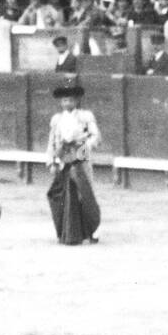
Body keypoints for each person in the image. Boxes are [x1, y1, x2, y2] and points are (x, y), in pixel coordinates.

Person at [46, 83, 101, 245]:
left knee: (86, 192)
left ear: (76, 101)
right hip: (63, 158)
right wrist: (51, 161)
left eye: (70, 100)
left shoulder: (85, 116)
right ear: (60, 103)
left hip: (81, 158)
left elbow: (96, 137)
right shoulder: (57, 119)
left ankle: (94, 230)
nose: (67, 103)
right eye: (64, 100)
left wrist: (81, 150)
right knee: (63, 194)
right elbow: (52, 142)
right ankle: (66, 230)